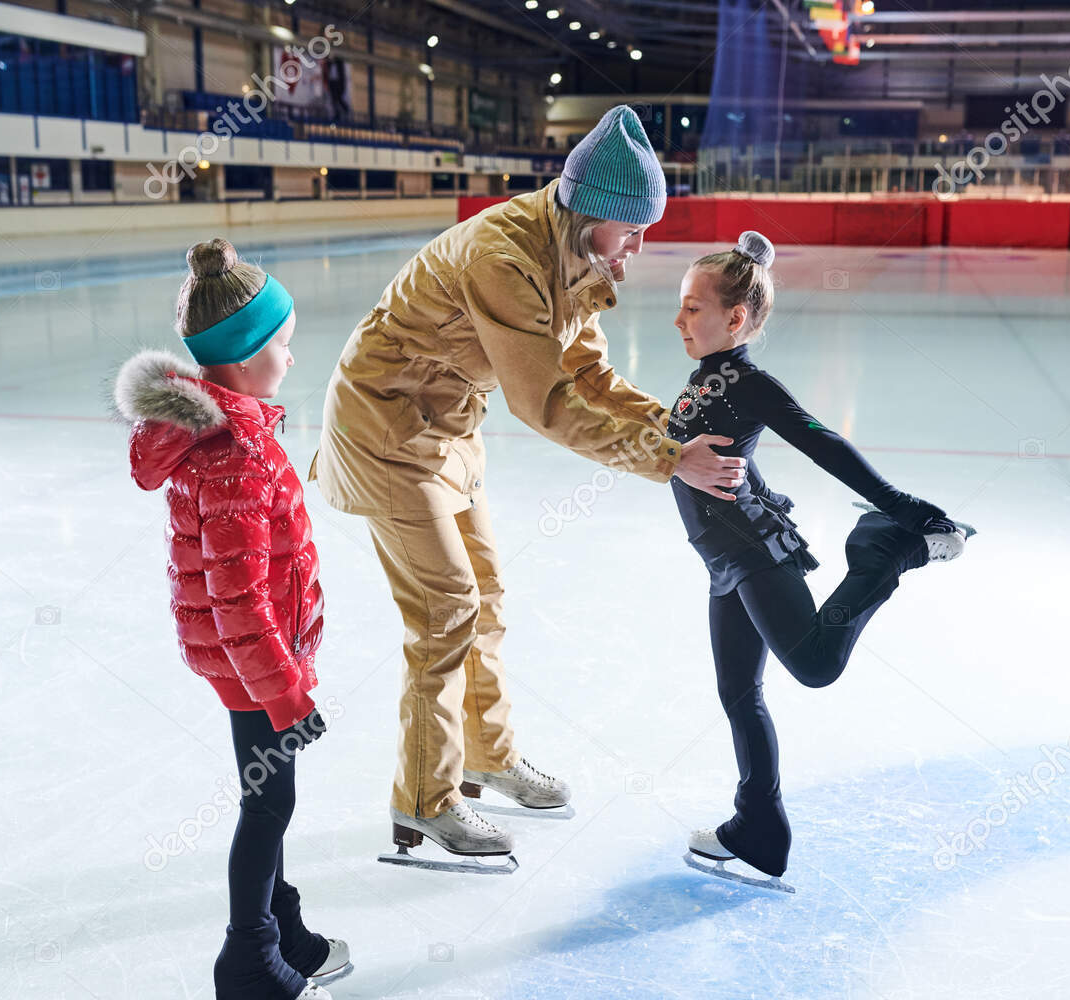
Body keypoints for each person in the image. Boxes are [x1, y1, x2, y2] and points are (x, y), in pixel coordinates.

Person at [309, 105, 746, 869]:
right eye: (632, 230)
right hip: (384, 428)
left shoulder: (573, 254)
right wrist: (667, 460)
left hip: (444, 426)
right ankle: (422, 799)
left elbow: (588, 373)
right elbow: (547, 401)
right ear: (592, 215)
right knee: (447, 609)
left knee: (487, 595)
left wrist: (673, 427)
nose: (638, 247)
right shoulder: (504, 257)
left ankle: (487, 755)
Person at [668, 230, 974, 889]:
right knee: (738, 692)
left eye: (693, 306)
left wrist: (900, 504)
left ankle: (884, 549)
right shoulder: (705, 378)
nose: (679, 319)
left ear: (737, 318)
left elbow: (821, 440)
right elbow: (717, 449)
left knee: (812, 664)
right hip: (722, 556)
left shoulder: (747, 380)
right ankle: (759, 827)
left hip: (750, 551)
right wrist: (755, 482)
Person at [114, 238, 349, 1000]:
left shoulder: (234, 427)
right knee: (267, 802)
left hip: (252, 656)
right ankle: (248, 966)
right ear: (246, 357)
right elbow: (239, 596)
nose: (291, 352)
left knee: (269, 796)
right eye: (281, 342)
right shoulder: (237, 454)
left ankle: (283, 929)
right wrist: (287, 693)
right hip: (254, 662)